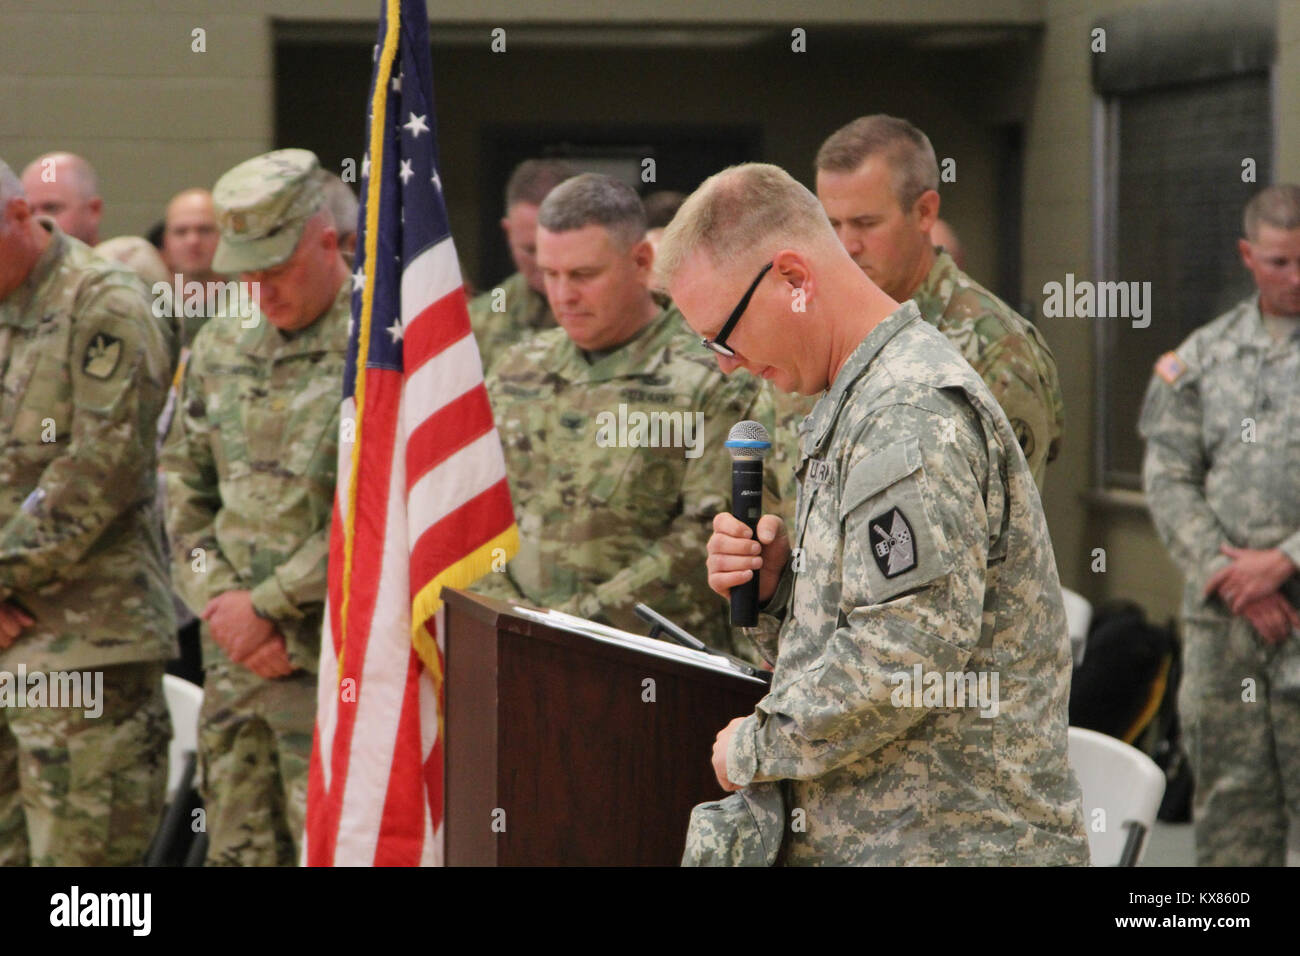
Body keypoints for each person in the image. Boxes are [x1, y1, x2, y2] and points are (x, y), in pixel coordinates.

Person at [658, 163, 1088, 865]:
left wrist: (756, 744)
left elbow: (905, 655)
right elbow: (882, 621)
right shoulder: (862, 398)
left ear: (794, 279)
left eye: (724, 335)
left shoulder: (906, 410)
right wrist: (777, 593)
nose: (727, 365)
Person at [473, 173, 780, 658]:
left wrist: (571, 627)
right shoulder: (516, 367)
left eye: (582, 275)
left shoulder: (714, 376)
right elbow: (473, 508)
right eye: (550, 274)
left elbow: (708, 533)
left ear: (640, 262)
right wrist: (507, 615)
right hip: (514, 650)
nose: (562, 295)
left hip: (653, 662)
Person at [161, 149, 349, 866]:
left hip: (333, 663)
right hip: (234, 665)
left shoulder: (383, 345)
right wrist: (225, 605)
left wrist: (267, 604)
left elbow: (378, 510)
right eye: (245, 275)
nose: (258, 293)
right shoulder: (221, 342)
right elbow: (183, 480)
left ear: (325, 240)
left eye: (274, 272)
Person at [0, 158, 176, 866]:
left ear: (20, 217)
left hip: (89, 652)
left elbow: (100, 467)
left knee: (87, 893)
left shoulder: (103, 301)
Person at [1139, 183, 1300, 867]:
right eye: (1278, 263)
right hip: (1224, 623)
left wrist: (1287, 560)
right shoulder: (1200, 357)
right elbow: (1167, 475)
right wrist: (1228, 574)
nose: (1295, 278)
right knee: (1231, 820)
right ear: (1246, 256)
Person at [814, 115, 1063, 489]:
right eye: (832, 224)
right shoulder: (821, 333)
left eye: (866, 223)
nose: (847, 245)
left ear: (925, 212)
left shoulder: (996, 349)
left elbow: (1008, 530)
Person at [467, 158, 575, 374]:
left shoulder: (617, 313)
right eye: (530, 250)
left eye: (555, 248)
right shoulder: (479, 322)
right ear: (508, 232)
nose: (543, 263)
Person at [161, 188, 224, 347]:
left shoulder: (253, 306)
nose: (193, 241)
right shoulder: (148, 310)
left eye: (205, 230)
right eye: (181, 232)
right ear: (166, 241)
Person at [20, 152, 103, 246]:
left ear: (93, 210)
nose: (38, 221)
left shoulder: (117, 258)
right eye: (29, 212)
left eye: (51, 208)